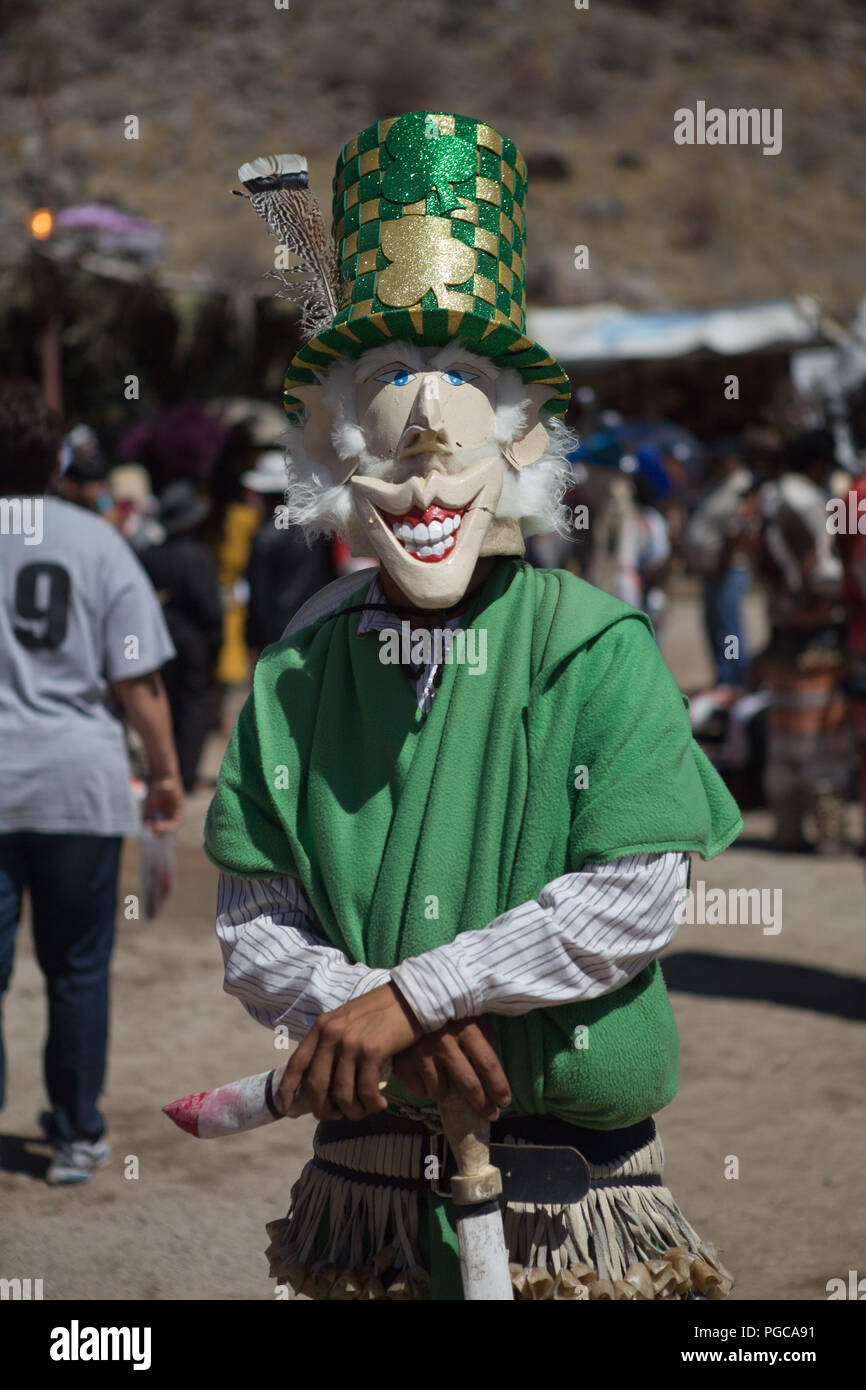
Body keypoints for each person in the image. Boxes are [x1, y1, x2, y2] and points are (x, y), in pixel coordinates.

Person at [203, 113, 742, 1301]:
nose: (427, 466)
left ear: (519, 447)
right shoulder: (298, 669)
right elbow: (254, 922)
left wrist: (419, 992)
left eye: (456, 436)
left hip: (571, 1207)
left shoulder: (593, 646)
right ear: (339, 459)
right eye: (391, 429)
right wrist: (358, 1006)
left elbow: (633, 896)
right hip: (369, 1197)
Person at [0, 379, 182, 1184]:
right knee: (76, 968)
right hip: (78, 783)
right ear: (55, 458)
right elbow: (137, 682)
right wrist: (168, 772)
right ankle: (76, 1135)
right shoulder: (98, 542)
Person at [756, 429, 853, 853]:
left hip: (782, 635)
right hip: (819, 636)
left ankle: (787, 830)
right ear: (817, 463)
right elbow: (822, 574)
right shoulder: (811, 502)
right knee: (823, 740)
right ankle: (829, 836)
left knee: (786, 737)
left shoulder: (768, 499)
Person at [141, 481, 224, 792]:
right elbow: (210, 609)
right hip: (193, 641)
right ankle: (186, 774)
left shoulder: (150, 555)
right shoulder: (198, 556)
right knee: (193, 705)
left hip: (159, 639)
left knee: (167, 702)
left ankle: (165, 767)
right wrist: (216, 643)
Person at [241, 450, 336, 659]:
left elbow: (259, 600)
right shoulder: (319, 530)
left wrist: (253, 641)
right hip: (317, 627)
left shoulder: (264, 537)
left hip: (277, 637)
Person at [684, 441, 755, 687]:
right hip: (713, 570)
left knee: (728, 626)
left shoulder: (741, 485)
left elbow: (734, 533)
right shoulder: (721, 484)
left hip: (727, 569)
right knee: (714, 624)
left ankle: (735, 679)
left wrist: (719, 566)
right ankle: (724, 677)